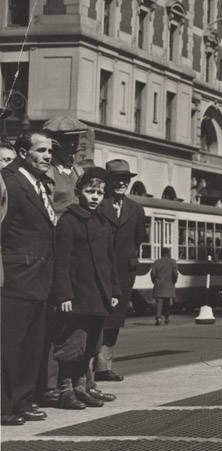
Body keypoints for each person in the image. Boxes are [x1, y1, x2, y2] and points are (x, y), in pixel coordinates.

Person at [52, 168, 120, 410]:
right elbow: (61, 261)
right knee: (72, 343)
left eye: (99, 193)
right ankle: (65, 390)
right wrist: (65, 294)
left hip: (98, 295)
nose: (94, 197)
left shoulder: (104, 222)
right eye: (90, 191)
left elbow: (109, 261)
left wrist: (113, 291)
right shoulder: (69, 220)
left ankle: (82, 386)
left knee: (91, 344)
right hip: (78, 295)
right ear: (79, 191)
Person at [1, 130, 57, 425]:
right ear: (24, 153)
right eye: (41, 150)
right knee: (11, 346)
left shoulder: (39, 184)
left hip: (39, 279)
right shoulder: (11, 182)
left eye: (49, 151)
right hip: (16, 278)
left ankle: (22, 401)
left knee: (32, 346)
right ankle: (5, 406)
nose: (47, 156)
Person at [93, 160, 146, 383]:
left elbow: (137, 239)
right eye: (117, 178)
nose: (122, 183)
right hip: (99, 270)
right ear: (108, 181)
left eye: (126, 179)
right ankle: (89, 370)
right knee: (97, 319)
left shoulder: (136, 209)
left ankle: (104, 367)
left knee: (114, 321)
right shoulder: (97, 204)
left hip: (123, 273)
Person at [150, 247, 179, 326]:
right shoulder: (172, 262)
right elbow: (175, 274)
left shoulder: (157, 262)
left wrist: (155, 281)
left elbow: (152, 273)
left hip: (158, 285)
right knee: (167, 302)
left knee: (159, 302)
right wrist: (174, 281)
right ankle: (167, 318)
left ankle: (158, 318)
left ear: (162, 253)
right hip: (169, 285)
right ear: (168, 253)